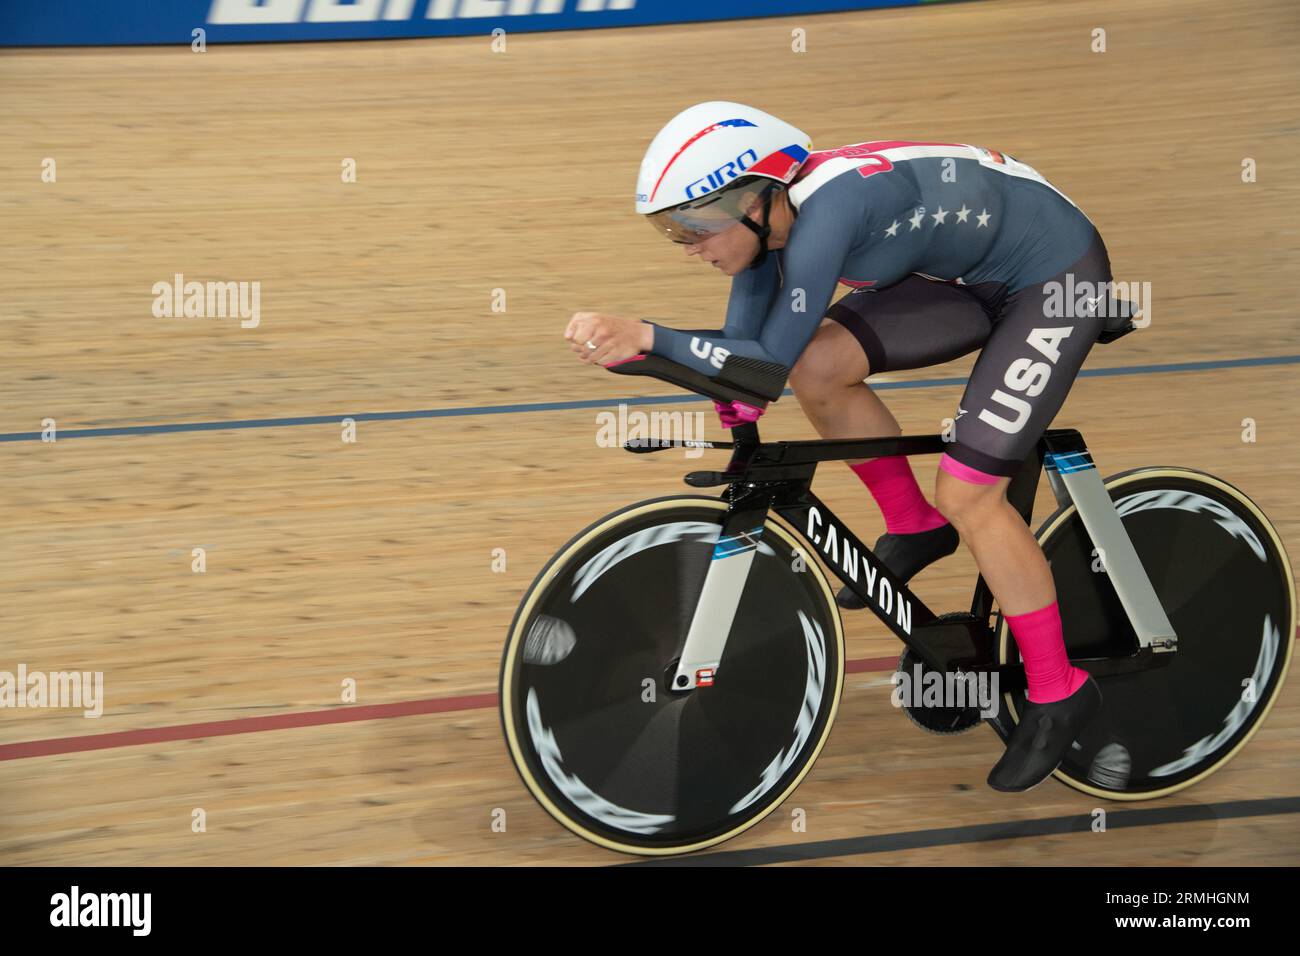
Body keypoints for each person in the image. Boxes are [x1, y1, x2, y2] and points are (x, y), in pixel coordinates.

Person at [564, 101, 1108, 792]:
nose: (688, 245)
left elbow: (754, 363)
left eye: (694, 224)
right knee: (817, 367)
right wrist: (682, 373)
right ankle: (916, 525)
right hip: (967, 278)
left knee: (971, 489)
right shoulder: (769, 231)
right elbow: (749, 370)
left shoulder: (829, 213)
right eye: (670, 230)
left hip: (1051, 277)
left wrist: (646, 336)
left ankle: (1059, 690)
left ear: (757, 199)